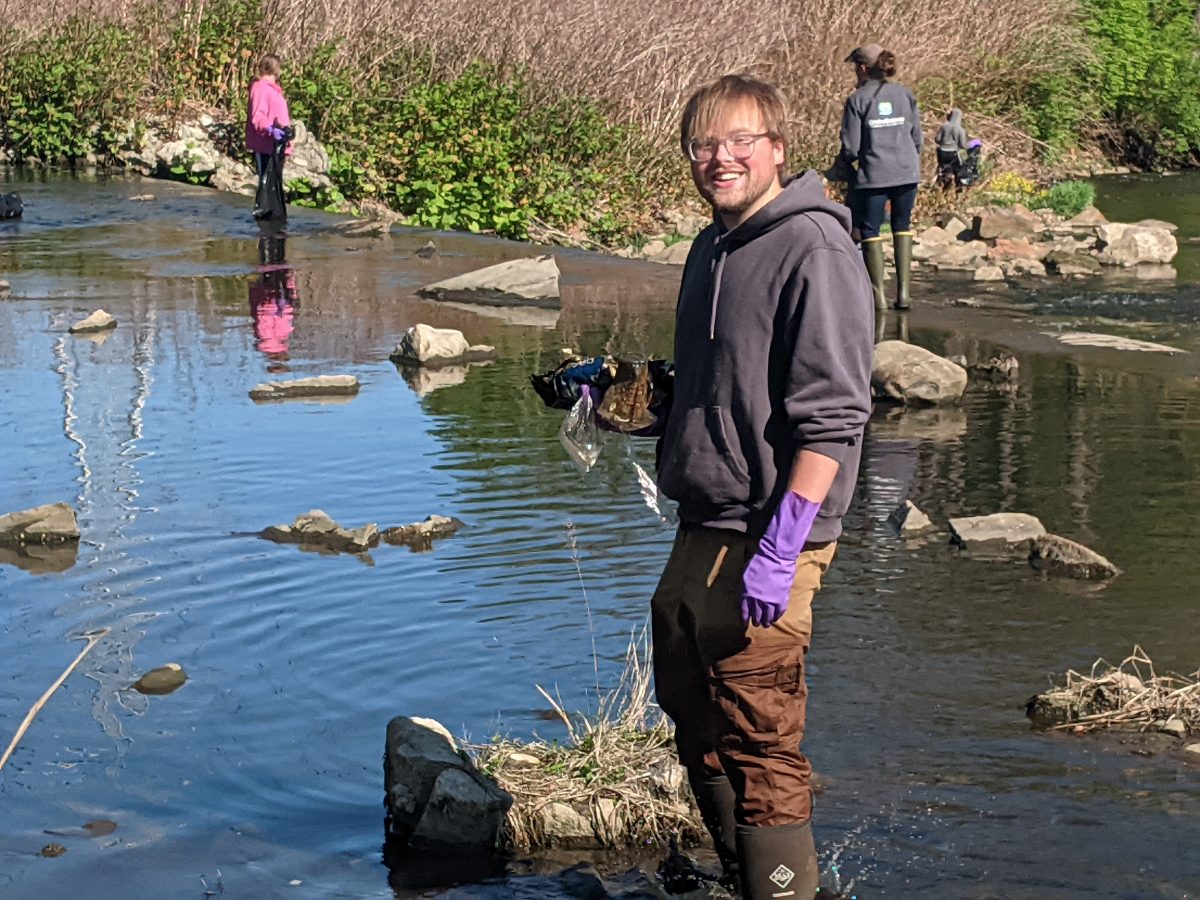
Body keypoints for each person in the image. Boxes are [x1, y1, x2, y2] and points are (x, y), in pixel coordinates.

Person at [652, 74, 873, 900]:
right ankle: (741, 880)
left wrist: (783, 547)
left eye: (740, 140)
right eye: (705, 144)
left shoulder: (816, 248)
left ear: (778, 147)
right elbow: (720, 385)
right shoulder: (713, 245)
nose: (722, 158)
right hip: (703, 516)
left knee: (759, 731)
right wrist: (633, 401)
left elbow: (835, 416)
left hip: (775, 529)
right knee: (688, 704)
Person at [839, 45, 922, 311]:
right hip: (907, 172)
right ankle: (905, 295)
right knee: (902, 225)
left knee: (871, 230)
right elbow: (917, 138)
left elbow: (851, 148)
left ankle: (879, 300)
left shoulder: (857, 100)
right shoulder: (905, 95)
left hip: (874, 176)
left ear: (863, 69)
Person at [245, 54, 293, 221]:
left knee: (274, 186)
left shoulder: (273, 89)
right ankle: (264, 221)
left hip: (277, 147)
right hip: (265, 145)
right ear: (277, 69)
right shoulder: (260, 88)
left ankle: (274, 220)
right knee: (265, 184)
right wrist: (269, 129)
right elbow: (258, 117)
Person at [934, 108, 970, 190]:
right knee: (958, 170)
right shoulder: (960, 130)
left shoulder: (943, 127)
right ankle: (958, 188)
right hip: (953, 153)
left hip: (941, 152)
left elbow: (937, 140)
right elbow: (963, 145)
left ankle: (939, 184)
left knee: (942, 168)